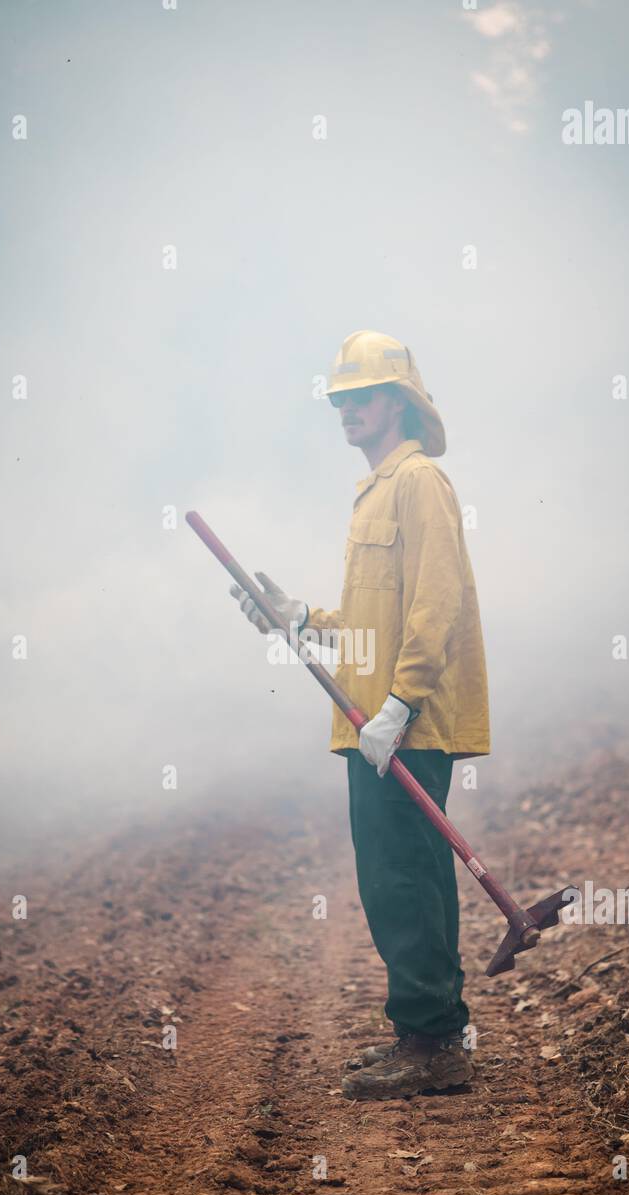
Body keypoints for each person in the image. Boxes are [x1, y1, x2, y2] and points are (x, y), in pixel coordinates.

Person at [230, 329, 490, 1100]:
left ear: (399, 402)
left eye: (362, 395)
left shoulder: (420, 483)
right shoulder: (376, 489)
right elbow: (380, 614)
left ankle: (436, 1046)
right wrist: (302, 617)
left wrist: (403, 703)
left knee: (404, 878)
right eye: (339, 397)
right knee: (396, 878)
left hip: (403, 724)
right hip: (377, 725)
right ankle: (427, 1034)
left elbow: (436, 606)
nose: (346, 409)